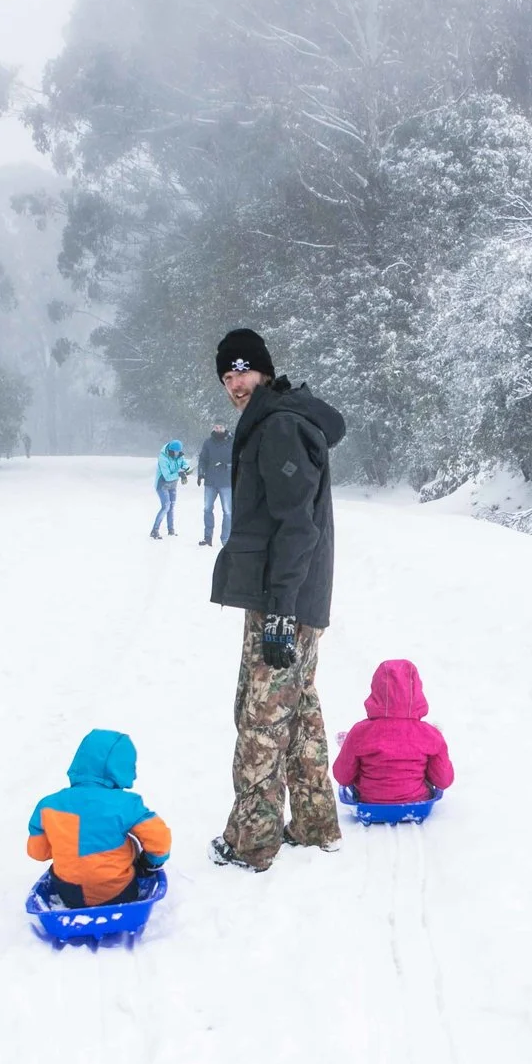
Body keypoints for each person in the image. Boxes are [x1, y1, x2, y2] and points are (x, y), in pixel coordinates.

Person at [206, 327, 348, 870]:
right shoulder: (275, 420)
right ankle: (314, 825)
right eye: (226, 376)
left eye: (241, 371)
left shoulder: (281, 426)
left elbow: (298, 526)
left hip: (283, 595)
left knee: (261, 717)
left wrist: (282, 611)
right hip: (290, 593)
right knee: (301, 706)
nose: (234, 384)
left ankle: (252, 842)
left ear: (263, 370)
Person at [26, 729, 172, 908]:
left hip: (68, 892)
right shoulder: (126, 804)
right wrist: (149, 863)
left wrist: (67, 845)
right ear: (122, 768)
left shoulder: (47, 805)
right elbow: (159, 839)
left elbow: (38, 853)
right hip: (119, 892)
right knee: (130, 840)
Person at [333, 659, 456, 807]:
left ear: (376, 691)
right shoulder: (429, 734)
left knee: (357, 753)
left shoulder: (360, 732)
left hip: (369, 801)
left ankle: (351, 751)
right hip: (417, 802)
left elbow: (343, 777)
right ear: (417, 692)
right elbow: (443, 780)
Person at [197, 423, 234, 547]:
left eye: (221, 427)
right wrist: (201, 473)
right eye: (216, 427)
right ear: (213, 428)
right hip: (210, 482)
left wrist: (227, 466)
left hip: (226, 483)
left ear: (225, 428)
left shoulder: (232, 442)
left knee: (228, 512)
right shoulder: (208, 443)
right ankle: (208, 538)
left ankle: (226, 539)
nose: (218, 429)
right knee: (207, 509)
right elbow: (202, 459)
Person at [149, 439, 191, 539]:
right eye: (175, 452)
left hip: (173, 485)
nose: (176, 454)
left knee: (171, 507)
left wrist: (185, 469)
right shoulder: (163, 458)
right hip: (162, 484)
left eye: (178, 452)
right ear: (170, 450)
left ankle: (171, 530)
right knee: (166, 506)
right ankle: (154, 530)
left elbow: (184, 464)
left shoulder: (180, 455)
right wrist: (178, 474)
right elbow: (167, 476)